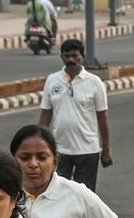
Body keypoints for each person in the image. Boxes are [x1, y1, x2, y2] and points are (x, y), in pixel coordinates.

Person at [38, 39, 113, 190]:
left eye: (75, 56)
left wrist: (105, 149)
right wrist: (39, 145)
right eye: (67, 56)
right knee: (57, 192)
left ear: (82, 57)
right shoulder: (52, 80)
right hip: (59, 150)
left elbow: (102, 117)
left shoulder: (94, 82)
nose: (71, 60)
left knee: (84, 195)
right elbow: (45, 115)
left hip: (88, 150)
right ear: (62, 57)